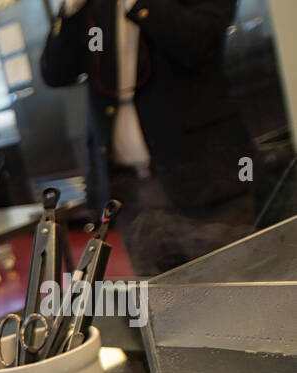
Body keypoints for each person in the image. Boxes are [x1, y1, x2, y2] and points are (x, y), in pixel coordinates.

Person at [40, 0, 256, 275]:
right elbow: (56, 73)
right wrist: (71, 10)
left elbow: (198, 43)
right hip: (132, 194)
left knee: (235, 298)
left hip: (207, 182)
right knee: (164, 308)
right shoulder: (97, 7)